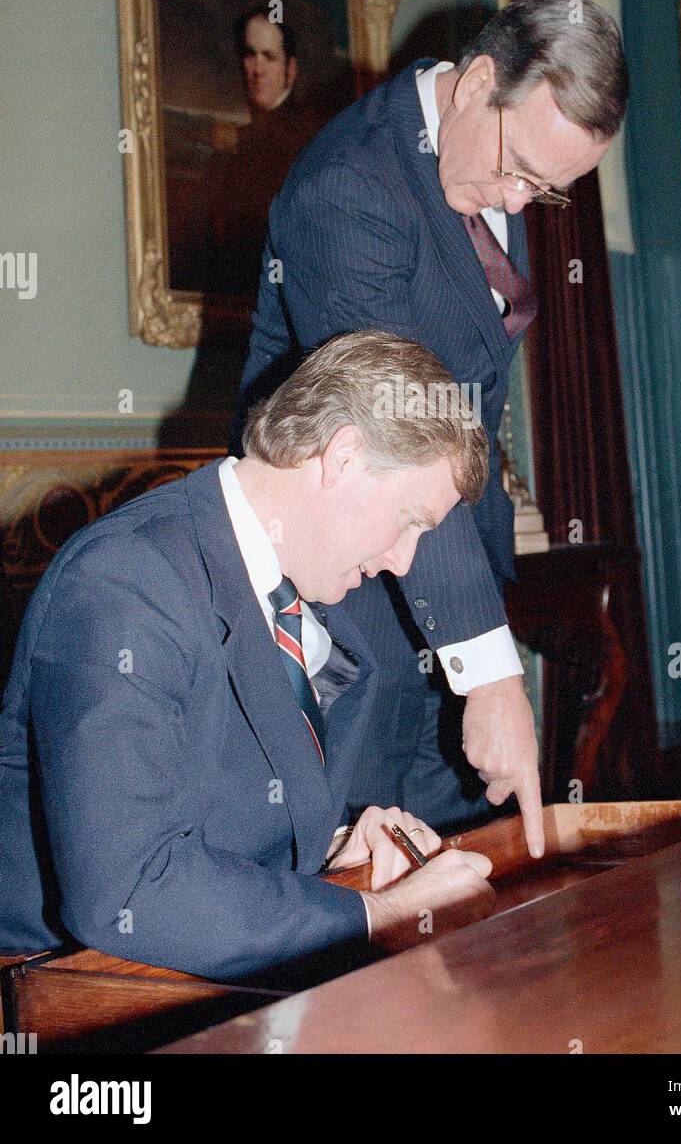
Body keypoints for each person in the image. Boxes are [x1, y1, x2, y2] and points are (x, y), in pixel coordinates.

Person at [229, 0, 629, 851]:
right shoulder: (349, 187)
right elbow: (396, 431)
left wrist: (479, 641)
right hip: (345, 588)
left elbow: (467, 395)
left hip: (452, 565)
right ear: (476, 82)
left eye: (547, 190)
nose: (520, 206)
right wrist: (490, 675)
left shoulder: (487, 162)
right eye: (519, 167)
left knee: (460, 881)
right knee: (358, 879)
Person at [0, 332, 495, 981]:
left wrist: (339, 846)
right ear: (344, 455)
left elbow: (212, 811)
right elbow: (127, 890)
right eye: (409, 520)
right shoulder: (127, 581)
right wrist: (379, 914)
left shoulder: (294, 593)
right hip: (64, 983)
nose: (403, 561)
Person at [202, 8, 324, 297]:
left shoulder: (299, 136)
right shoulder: (246, 136)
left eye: (268, 57)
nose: (257, 70)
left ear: (290, 70)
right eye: (250, 55)